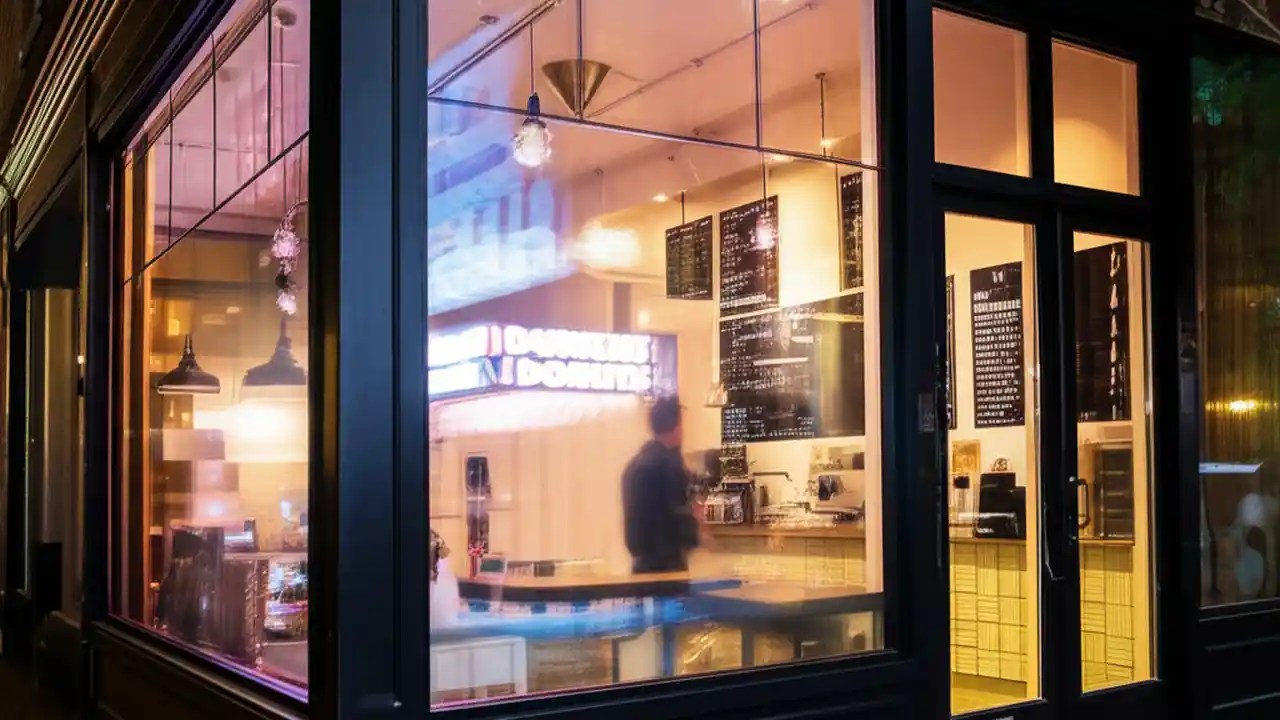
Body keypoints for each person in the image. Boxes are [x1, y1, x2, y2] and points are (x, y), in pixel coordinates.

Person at [622, 396, 700, 573]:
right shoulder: (669, 466)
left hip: (641, 566)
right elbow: (678, 517)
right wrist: (695, 524)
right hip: (668, 566)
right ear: (677, 429)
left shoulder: (634, 466)